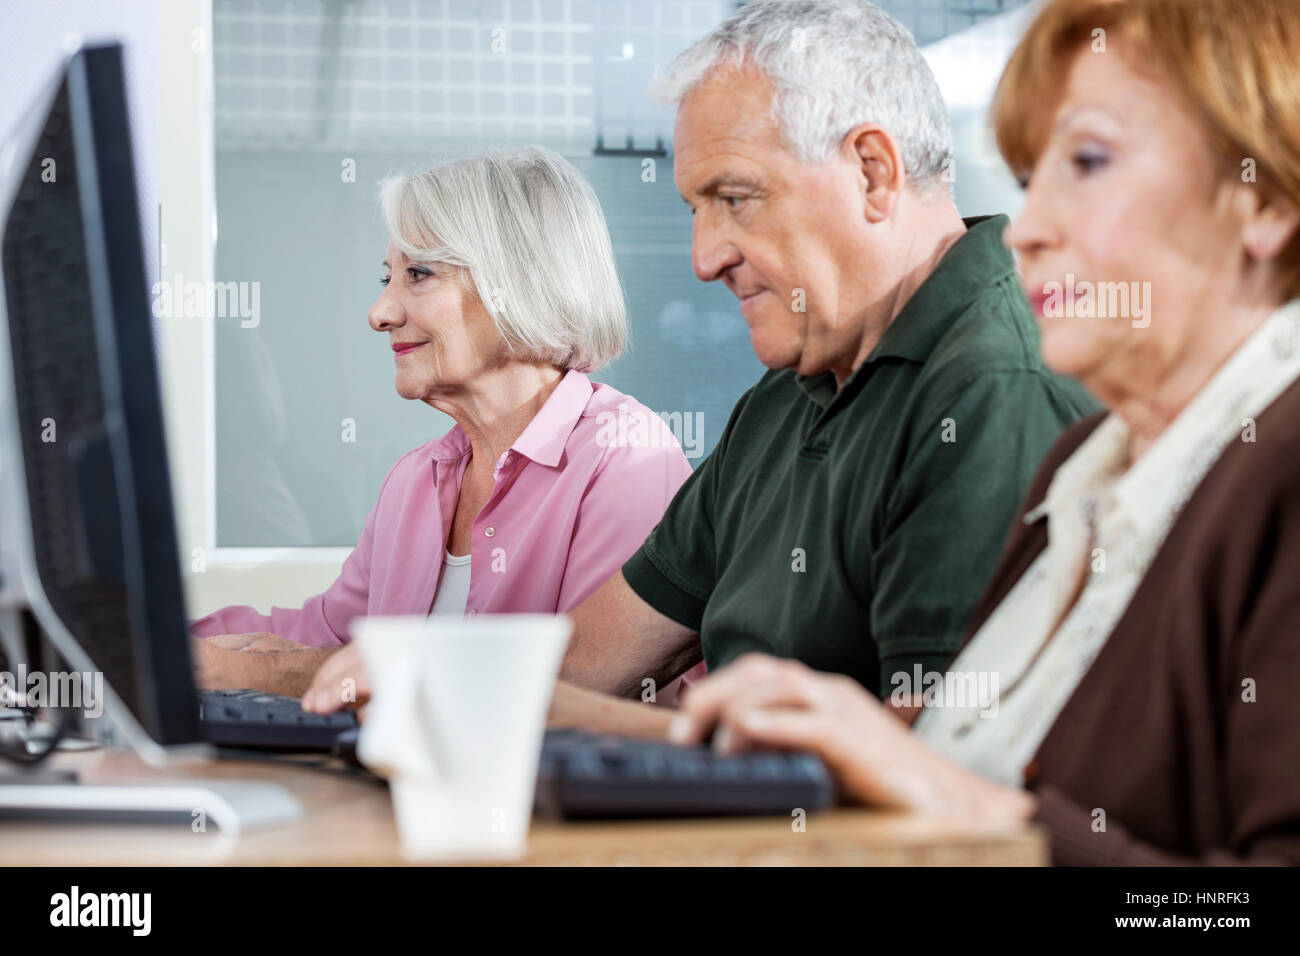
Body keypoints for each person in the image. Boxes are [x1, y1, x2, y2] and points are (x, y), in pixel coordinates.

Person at [306, 0, 1097, 730]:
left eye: (736, 197)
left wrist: (451, 684)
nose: (703, 257)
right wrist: (422, 672)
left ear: (873, 172)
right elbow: (589, 665)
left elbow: (934, 772)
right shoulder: (786, 398)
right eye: (694, 209)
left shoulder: (991, 388)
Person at [671, 0, 1300, 866]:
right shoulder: (1083, 470)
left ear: (1260, 198)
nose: (1031, 228)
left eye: (1089, 161)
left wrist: (973, 814)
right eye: (1031, 176)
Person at [192, 146, 693, 700]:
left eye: (419, 274)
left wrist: (274, 674)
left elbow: (576, 692)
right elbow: (328, 635)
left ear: (519, 282)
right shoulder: (416, 481)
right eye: (388, 277)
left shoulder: (625, 456)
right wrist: (152, 640)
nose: (379, 312)